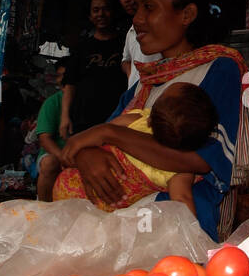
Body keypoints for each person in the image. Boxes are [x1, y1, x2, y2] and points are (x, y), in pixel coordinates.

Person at [54, 0, 249, 240]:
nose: (136, 18)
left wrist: (108, 132)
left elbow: (200, 160)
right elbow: (98, 143)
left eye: (149, 7)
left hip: (176, 231)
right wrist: (88, 154)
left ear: (187, 14)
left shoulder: (219, 70)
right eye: (136, 7)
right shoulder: (145, 84)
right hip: (121, 227)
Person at [59, 81, 219, 215]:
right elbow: (182, 201)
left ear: (150, 119)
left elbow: (94, 137)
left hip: (68, 183)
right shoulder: (180, 170)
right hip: (96, 211)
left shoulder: (135, 120)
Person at [59, 0, 126, 138]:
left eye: (105, 9)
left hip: (116, 120)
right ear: (89, 16)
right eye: (95, 10)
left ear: (113, 12)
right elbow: (70, 84)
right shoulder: (81, 47)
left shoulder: (125, 45)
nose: (100, 14)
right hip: (83, 121)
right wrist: (65, 117)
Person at [118, 0, 159, 89]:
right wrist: (132, 76)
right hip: (135, 96)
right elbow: (125, 60)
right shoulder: (130, 32)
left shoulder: (158, 26)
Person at [34, 64, 67, 203]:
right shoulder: (52, 102)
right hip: (56, 153)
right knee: (49, 163)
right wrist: (64, 158)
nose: (62, 80)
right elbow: (44, 139)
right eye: (59, 76)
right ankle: (43, 206)